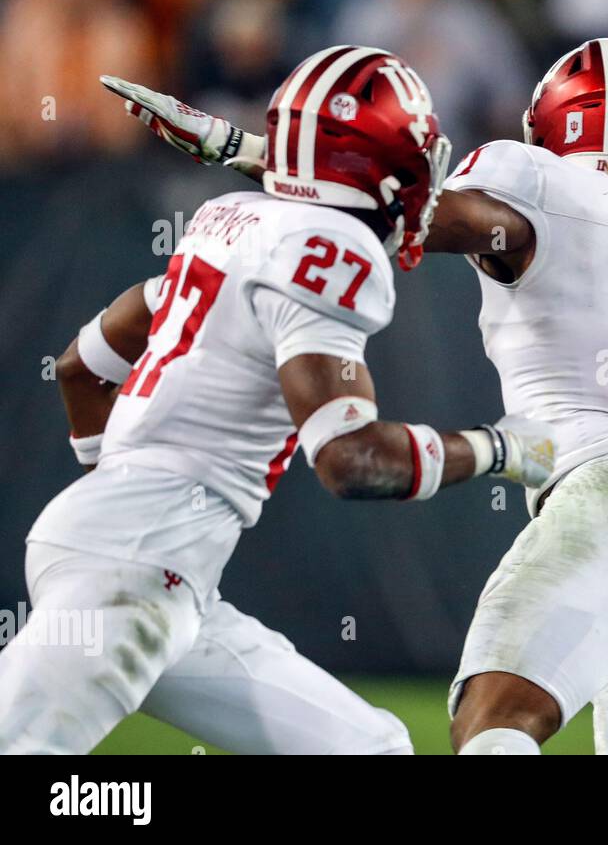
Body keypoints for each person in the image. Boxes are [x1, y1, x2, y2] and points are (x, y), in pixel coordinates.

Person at [108, 38, 608, 754]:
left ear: (554, 125)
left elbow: (401, 204)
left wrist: (251, 151)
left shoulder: (536, 184)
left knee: (493, 724)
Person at [0, 47, 554, 755]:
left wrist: (113, 484)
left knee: (372, 749)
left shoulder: (228, 219)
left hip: (151, 562)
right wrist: (502, 449)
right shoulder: (332, 248)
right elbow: (352, 461)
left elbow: (82, 367)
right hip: (136, 562)